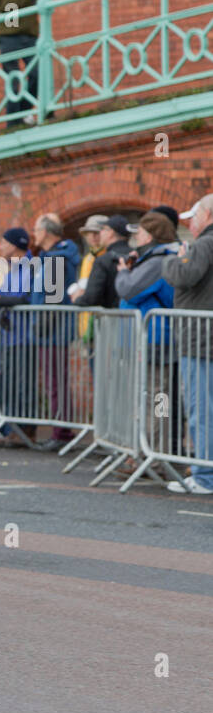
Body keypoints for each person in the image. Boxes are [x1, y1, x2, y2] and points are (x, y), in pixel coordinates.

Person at [116, 211, 183, 459]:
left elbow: (129, 290)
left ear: (150, 235)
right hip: (149, 341)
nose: (136, 238)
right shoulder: (154, 259)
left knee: (157, 399)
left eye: (140, 233)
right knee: (153, 399)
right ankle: (151, 452)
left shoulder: (157, 261)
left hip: (156, 341)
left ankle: (155, 455)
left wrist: (124, 272)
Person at [162, 194, 213, 494]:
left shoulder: (205, 244)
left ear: (206, 215)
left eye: (192, 219)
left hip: (200, 341)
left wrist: (174, 258)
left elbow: (186, 274)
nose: (190, 225)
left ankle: (205, 476)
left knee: (201, 410)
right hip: (203, 338)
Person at [0, 227, 37, 445]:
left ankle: (26, 431)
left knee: (24, 385)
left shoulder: (32, 267)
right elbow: (3, 297)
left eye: (3, 242)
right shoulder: (9, 268)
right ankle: (12, 429)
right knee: (9, 384)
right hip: (8, 335)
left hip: (26, 336)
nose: (0, 246)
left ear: (14, 245)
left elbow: (28, 299)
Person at [30, 212, 81, 449]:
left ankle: (61, 432)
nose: (34, 234)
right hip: (53, 328)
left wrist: (41, 324)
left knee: (55, 382)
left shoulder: (56, 258)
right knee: (55, 381)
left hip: (54, 330)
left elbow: (53, 299)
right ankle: (61, 430)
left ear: (47, 232)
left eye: (37, 229)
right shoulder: (52, 256)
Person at [0, 0, 47, 127]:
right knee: (13, 78)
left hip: (30, 33)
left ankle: (23, 112)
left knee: (37, 74)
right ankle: (13, 121)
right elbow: (1, 4)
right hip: (9, 32)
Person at [71, 214, 133, 309]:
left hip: (109, 316)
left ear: (111, 233)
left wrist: (77, 300)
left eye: (102, 230)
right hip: (131, 317)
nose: (99, 234)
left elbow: (92, 297)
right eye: (88, 233)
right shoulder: (136, 255)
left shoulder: (104, 259)